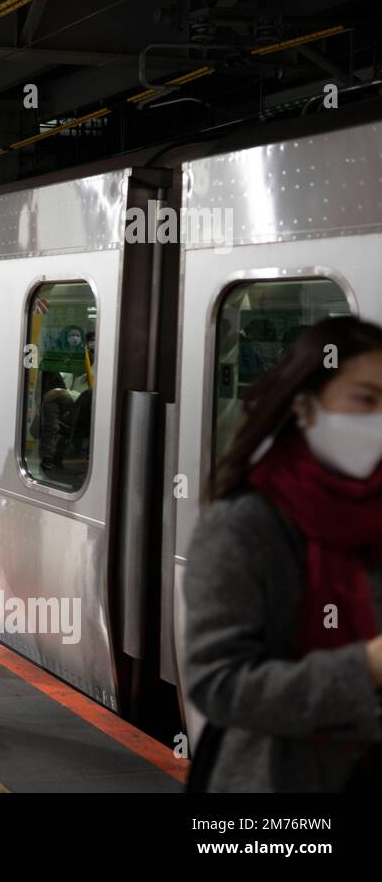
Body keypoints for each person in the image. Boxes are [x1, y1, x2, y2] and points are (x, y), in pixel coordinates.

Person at [184, 316, 382, 793]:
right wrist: (368, 666)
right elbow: (219, 682)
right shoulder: (246, 524)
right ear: (305, 407)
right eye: (366, 399)